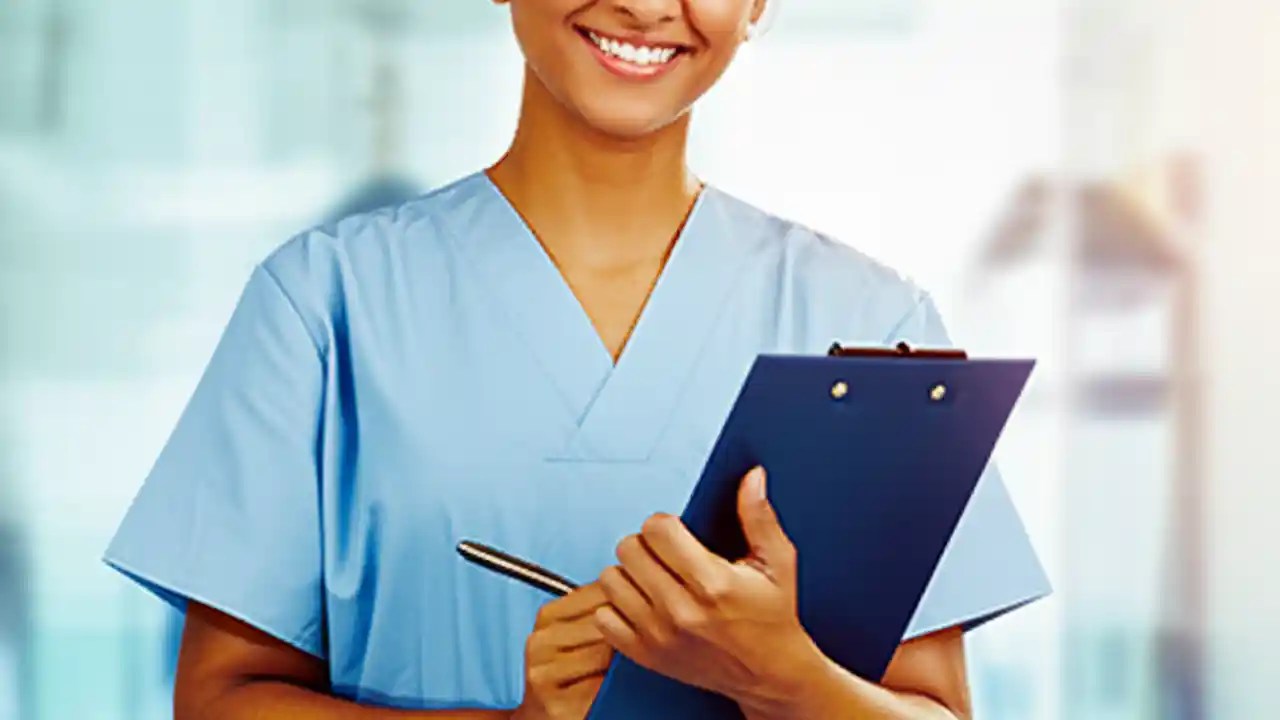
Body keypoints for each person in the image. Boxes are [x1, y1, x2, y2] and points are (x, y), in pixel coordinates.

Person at [104, 1, 1049, 718]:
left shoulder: (867, 320)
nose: (643, 4)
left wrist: (783, 677)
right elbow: (221, 700)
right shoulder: (323, 304)